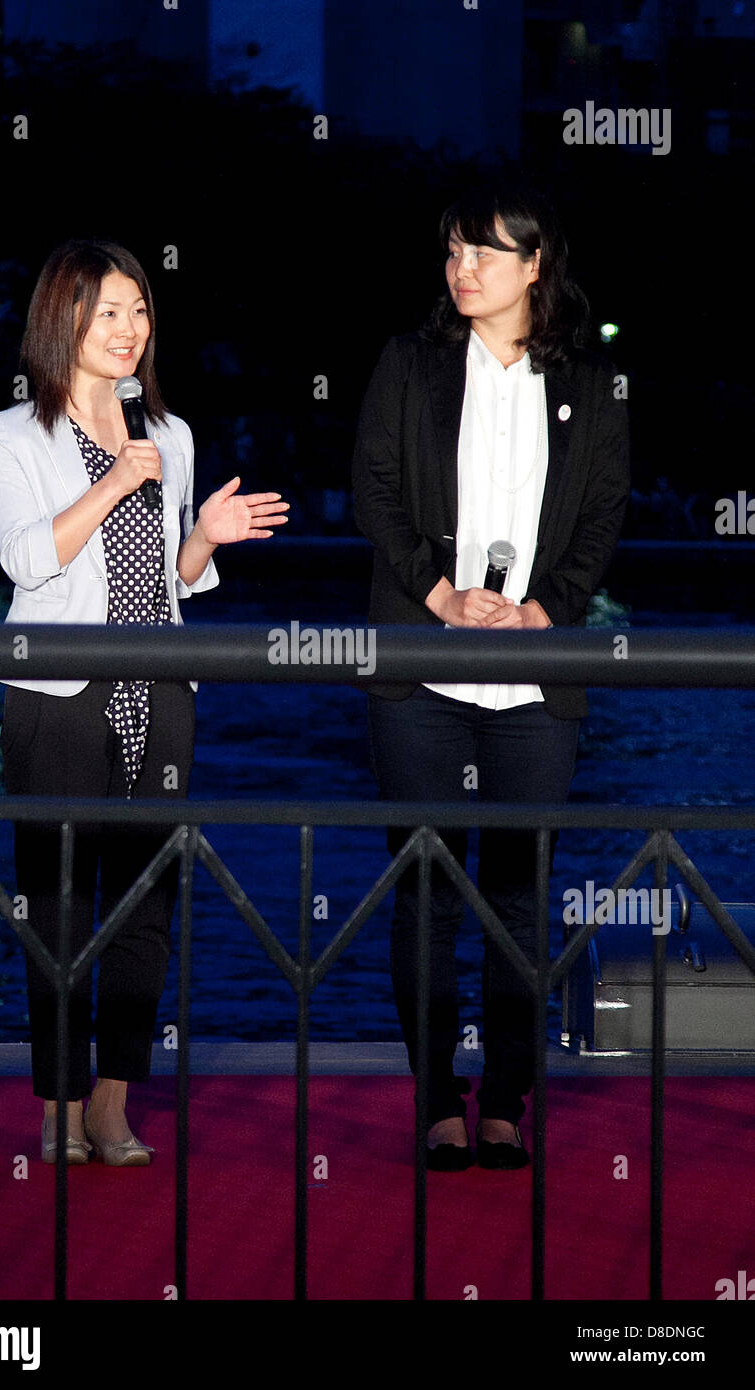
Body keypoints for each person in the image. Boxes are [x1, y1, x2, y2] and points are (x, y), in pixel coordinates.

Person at [0, 239, 288, 1165]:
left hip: (161, 693)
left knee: (146, 904)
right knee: (60, 904)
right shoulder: (11, 434)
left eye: (139, 311)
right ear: (62, 320)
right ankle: (58, 1105)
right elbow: (29, 562)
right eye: (108, 311)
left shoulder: (171, 433)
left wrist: (201, 536)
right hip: (59, 699)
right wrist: (114, 480)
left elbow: (171, 585)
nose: (127, 329)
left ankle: (112, 1101)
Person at [352, 181, 629, 1171]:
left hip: (533, 682)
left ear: (533, 266)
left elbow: (601, 515)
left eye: (481, 251)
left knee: (520, 895)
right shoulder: (408, 362)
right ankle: (435, 1097)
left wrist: (544, 611)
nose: (459, 268)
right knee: (422, 890)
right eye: (452, 252)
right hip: (420, 676)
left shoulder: (592, 385)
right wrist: (437, 596)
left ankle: (505, 1099)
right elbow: (372, 493)